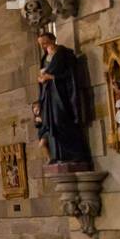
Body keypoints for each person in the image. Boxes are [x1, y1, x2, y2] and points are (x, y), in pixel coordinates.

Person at [36, 31, 91, 165]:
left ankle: (76, 154)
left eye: (45, 42)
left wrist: (52, 77)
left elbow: (70, 76)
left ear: (53, 39)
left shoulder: (64, 54)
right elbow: (43, 75)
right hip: (49, 96)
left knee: (62, 121)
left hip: (62, 95)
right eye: (41, 44)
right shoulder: (44, 58)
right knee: (51, 124)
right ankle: (58, 156)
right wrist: (42, 79)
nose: (43, 46)